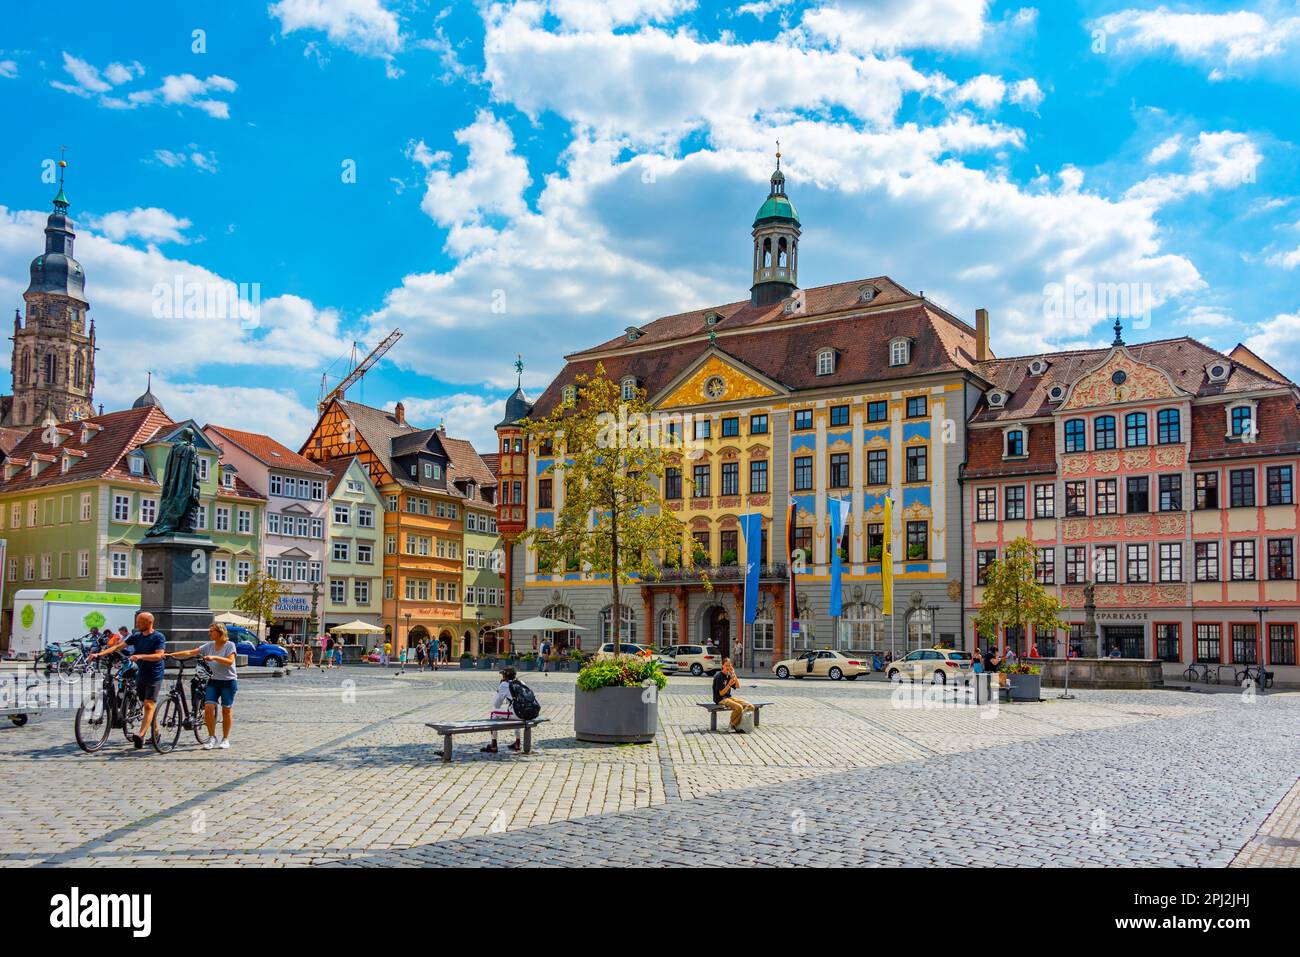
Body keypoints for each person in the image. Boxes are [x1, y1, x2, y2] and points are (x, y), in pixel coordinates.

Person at [91, 611, 167, 749]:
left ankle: (141, 735)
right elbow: (117, 647)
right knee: (146, 705)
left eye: (140, 622)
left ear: (149, 622)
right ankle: (156, 733)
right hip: (140, 674)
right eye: (137, 621)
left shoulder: (158, 637)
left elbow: (159, 656)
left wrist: (141, 656)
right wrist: (98, 654)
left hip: (154, 675)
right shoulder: (136, 636)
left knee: (149, 705)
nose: (137, 624)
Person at [169, 622, 238, 750]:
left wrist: (214, 657)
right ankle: (212, 737)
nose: (209, 633)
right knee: (208, 708)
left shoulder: (229, 645)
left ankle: (225, 739)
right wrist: (172, 655)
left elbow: (230, 661)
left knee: (226, 710)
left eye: (212, 631)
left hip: (228, 682)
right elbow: (191, 652)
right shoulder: (209, 645)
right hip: (213, 681)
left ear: (220, 632)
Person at [483, 666, 522, 753]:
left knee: (494, 713)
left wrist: (499, 689)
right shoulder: (520, 682)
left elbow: (497, 705)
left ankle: (493, 745)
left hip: (517, 713)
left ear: (505, 676)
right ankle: (517, 742)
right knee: (516, 712)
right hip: (525, 713)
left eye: (503, 675)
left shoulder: (504, 685)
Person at [711, 658, 753, 733]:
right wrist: (729, 684)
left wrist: (733, 674)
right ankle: (732, 724)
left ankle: (738, 723)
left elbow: (737, 686)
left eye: (729, 665)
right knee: (739, 707)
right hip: (720, 699)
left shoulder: (728, 676)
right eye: (726, 665)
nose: (727, 667)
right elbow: (721, 693)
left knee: (750, 706)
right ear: (722, 666)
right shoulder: (718, 677)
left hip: (729, 698)